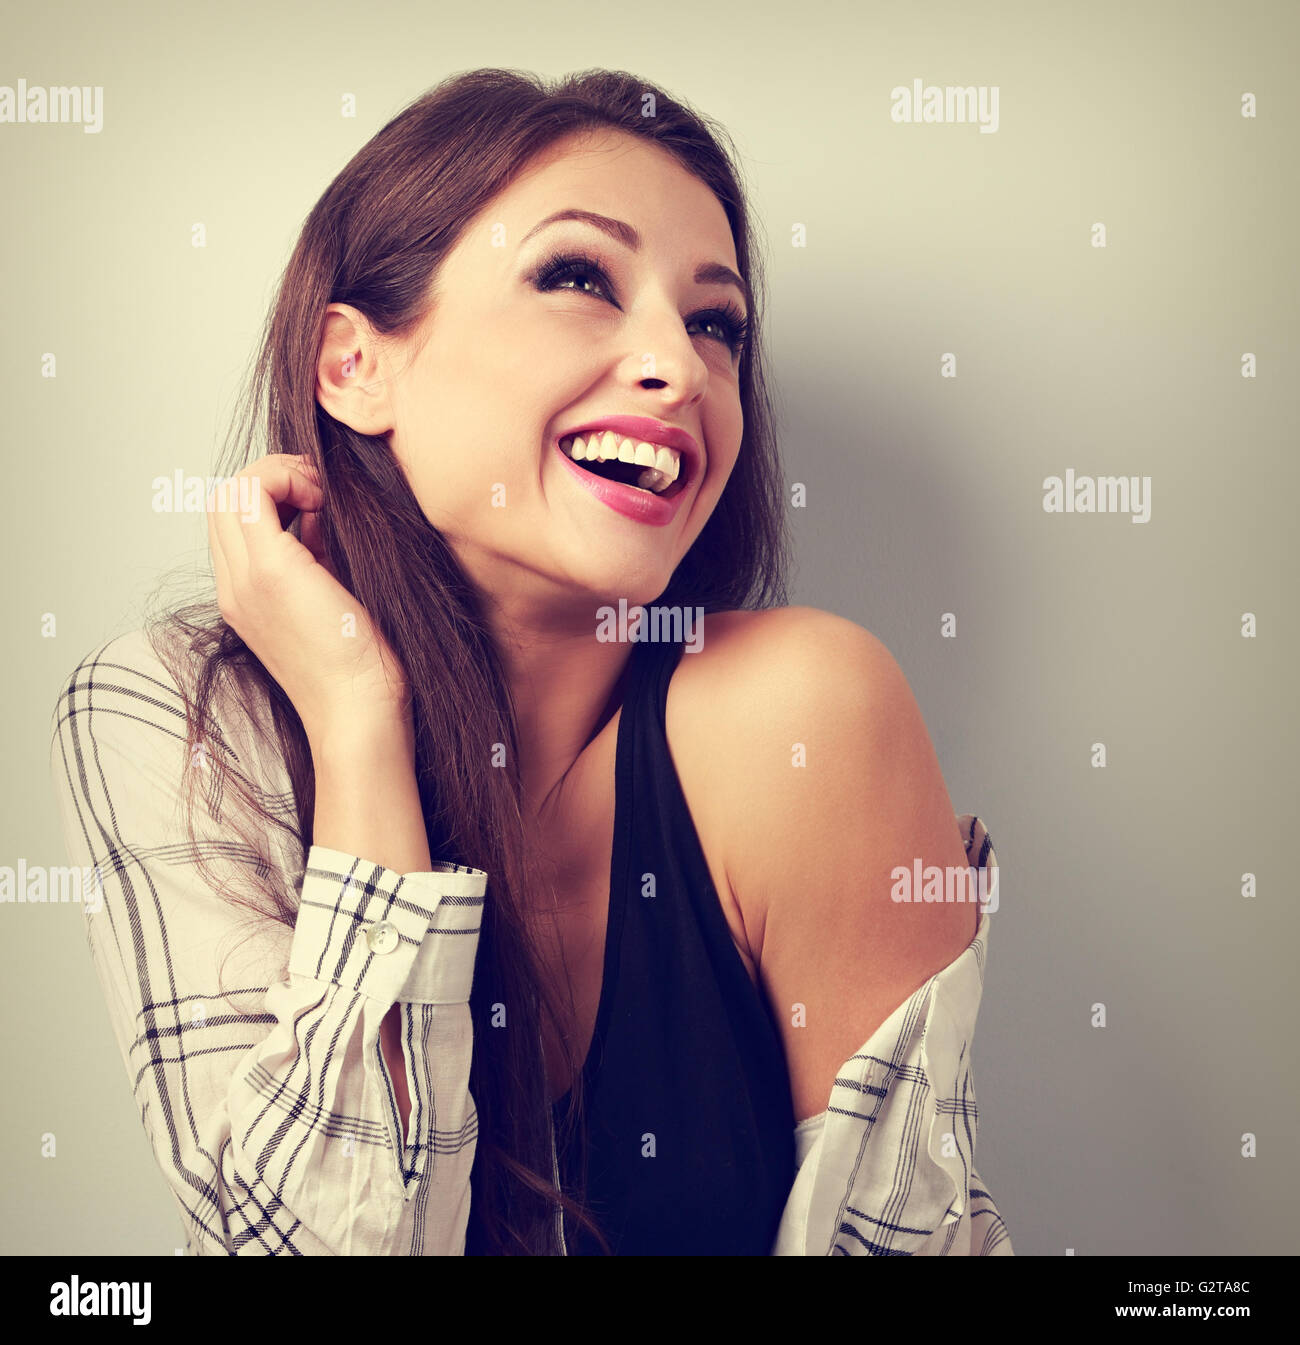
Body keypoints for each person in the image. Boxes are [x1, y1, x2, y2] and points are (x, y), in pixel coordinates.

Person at [48, 67, 1013, 1256]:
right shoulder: (175, 719)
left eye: (714, 324)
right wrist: (356, 718)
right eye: (577, 279)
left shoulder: (806, 715)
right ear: (354, 367)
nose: (679, 366)